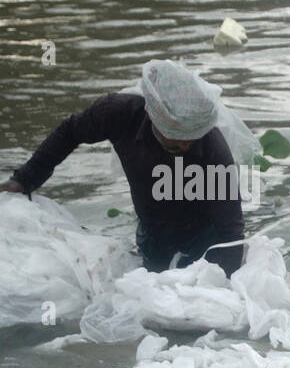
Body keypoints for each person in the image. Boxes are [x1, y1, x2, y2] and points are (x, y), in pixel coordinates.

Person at [2, 59, 254, 276]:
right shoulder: (118, 114)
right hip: (152, 233)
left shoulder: (212, 148)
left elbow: (230, 230)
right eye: (177, 136)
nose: (185, 145)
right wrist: (25, 179)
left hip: (203, 237)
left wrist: (226, 282)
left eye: (191, 138)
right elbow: (69, 132)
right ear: (151, 116)